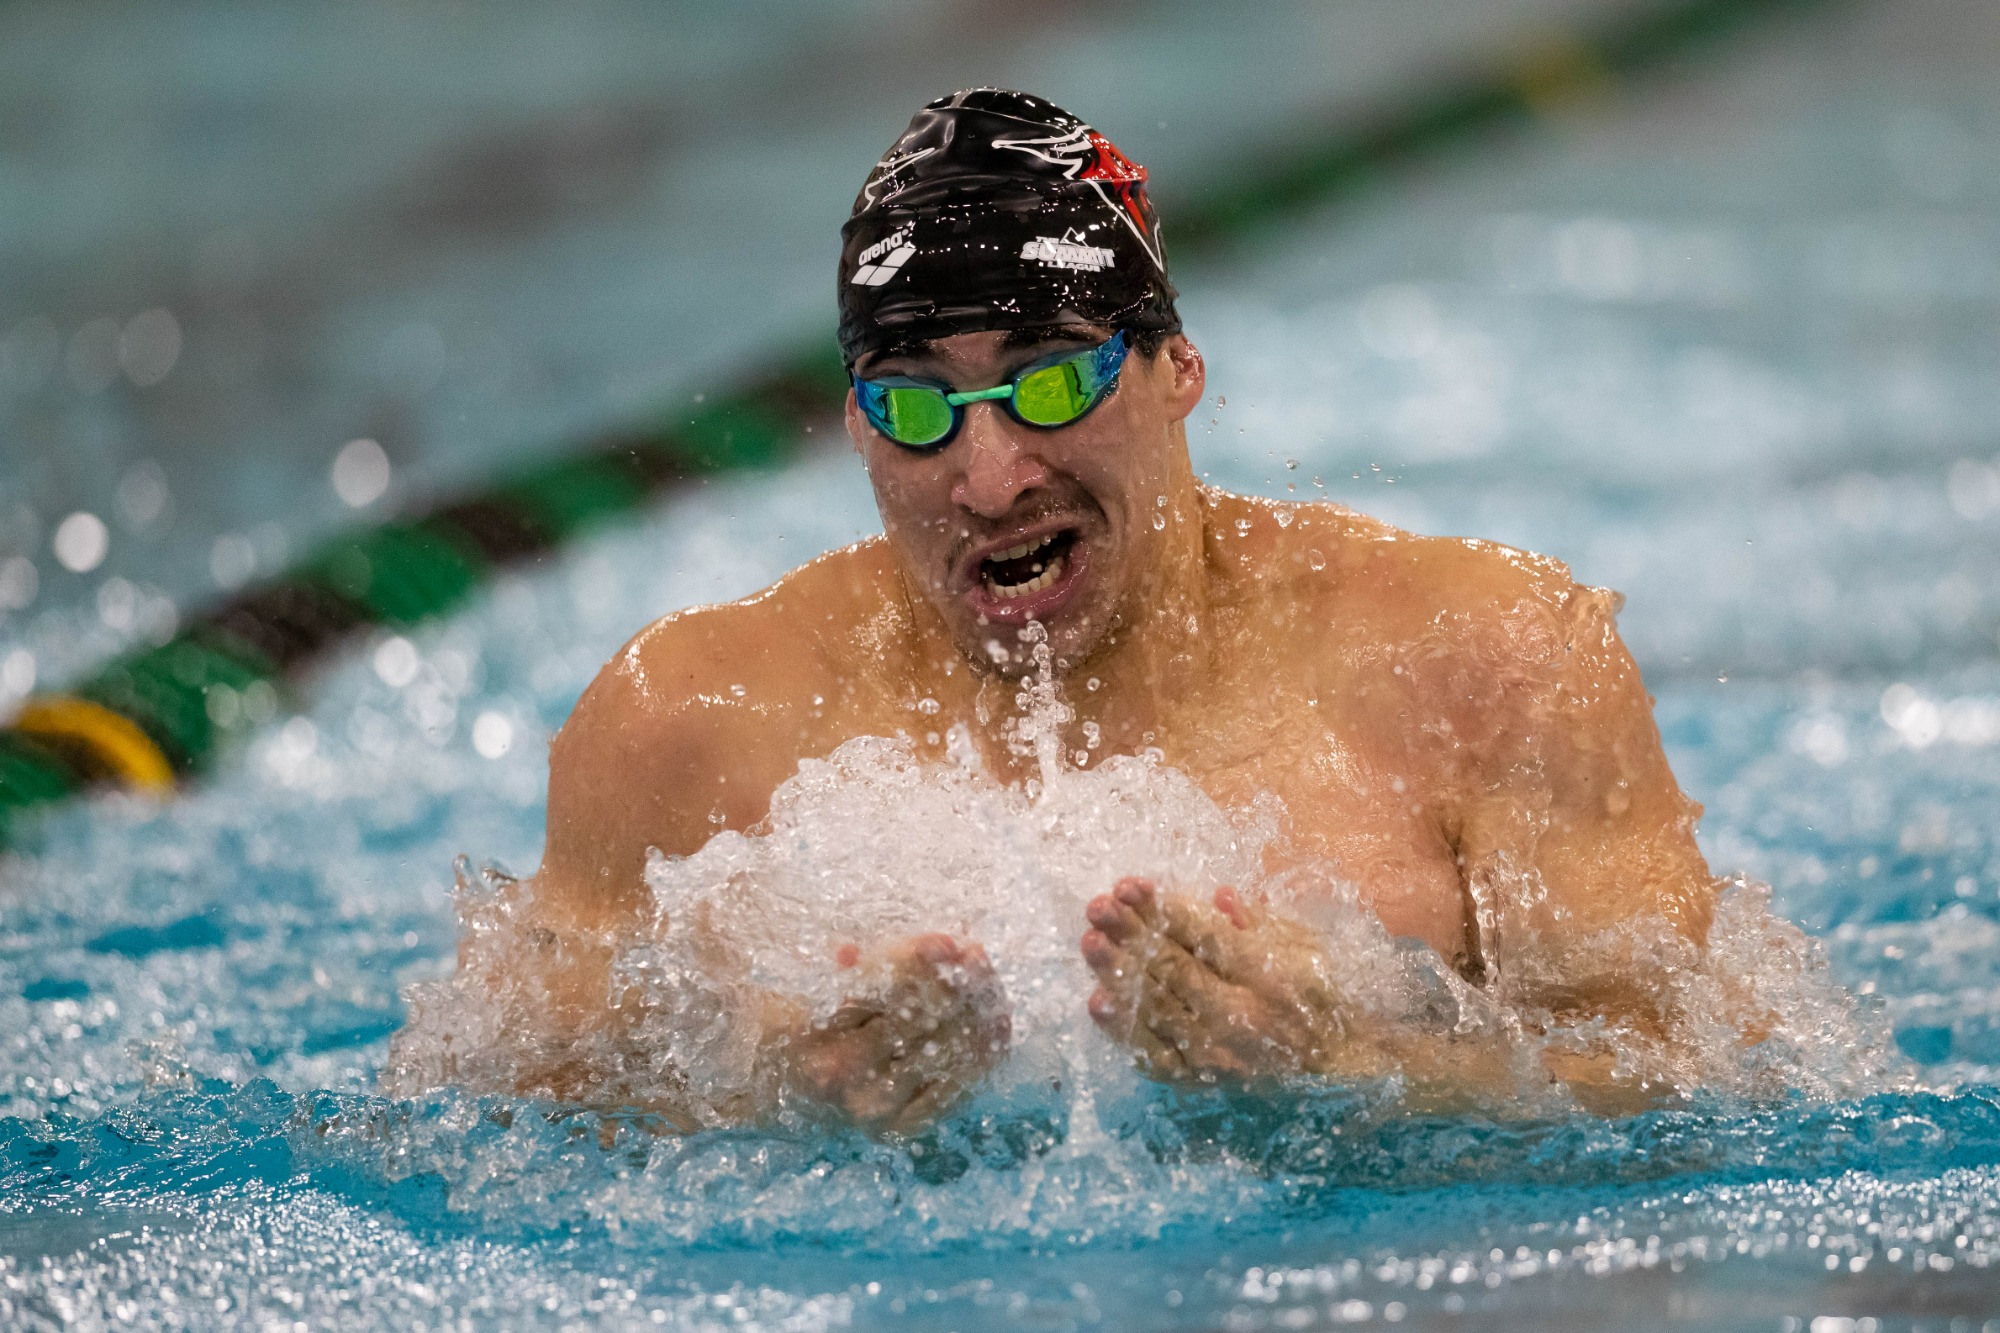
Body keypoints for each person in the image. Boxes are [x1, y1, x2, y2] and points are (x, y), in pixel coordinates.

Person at [391, 89, 1718, 1133]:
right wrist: (762, 1100)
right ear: (858, 428)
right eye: (917, 405)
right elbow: (480, 1122)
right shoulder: (683, 724)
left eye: (1047, 384)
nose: (990, 478)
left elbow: (1697, 1092)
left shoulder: (1486, 659)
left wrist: (1366, 1063)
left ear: (1178, 367)